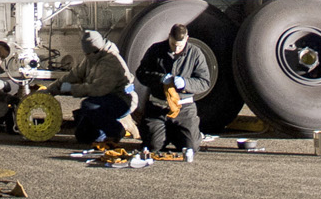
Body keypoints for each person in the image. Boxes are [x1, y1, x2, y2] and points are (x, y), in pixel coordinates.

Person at [135, 23, 212, 156]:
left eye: (179, 46)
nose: (176, 49)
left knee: (191, 146)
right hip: (157, 107)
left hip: (184, 108)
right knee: (153, 146)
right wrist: (159, 78)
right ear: (169, 37)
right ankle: (164, 134)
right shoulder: (155, 49)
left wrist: (186, 83)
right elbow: (141, 73)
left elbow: (204, 82)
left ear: (187, 38)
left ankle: (184, 134)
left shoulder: (195, 53)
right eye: (173, 44)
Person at [64, 29, 136, 146]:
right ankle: (104, 128)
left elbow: (96, 90)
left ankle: (117, 129)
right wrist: (52, 89)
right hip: (104, 99)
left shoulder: (111, 61)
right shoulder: (91, 57)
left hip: (122, 99)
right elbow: (75, 75)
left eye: (90, 53)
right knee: (83, 136)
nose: (87, 56)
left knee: (88, 105)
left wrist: (70, 88)